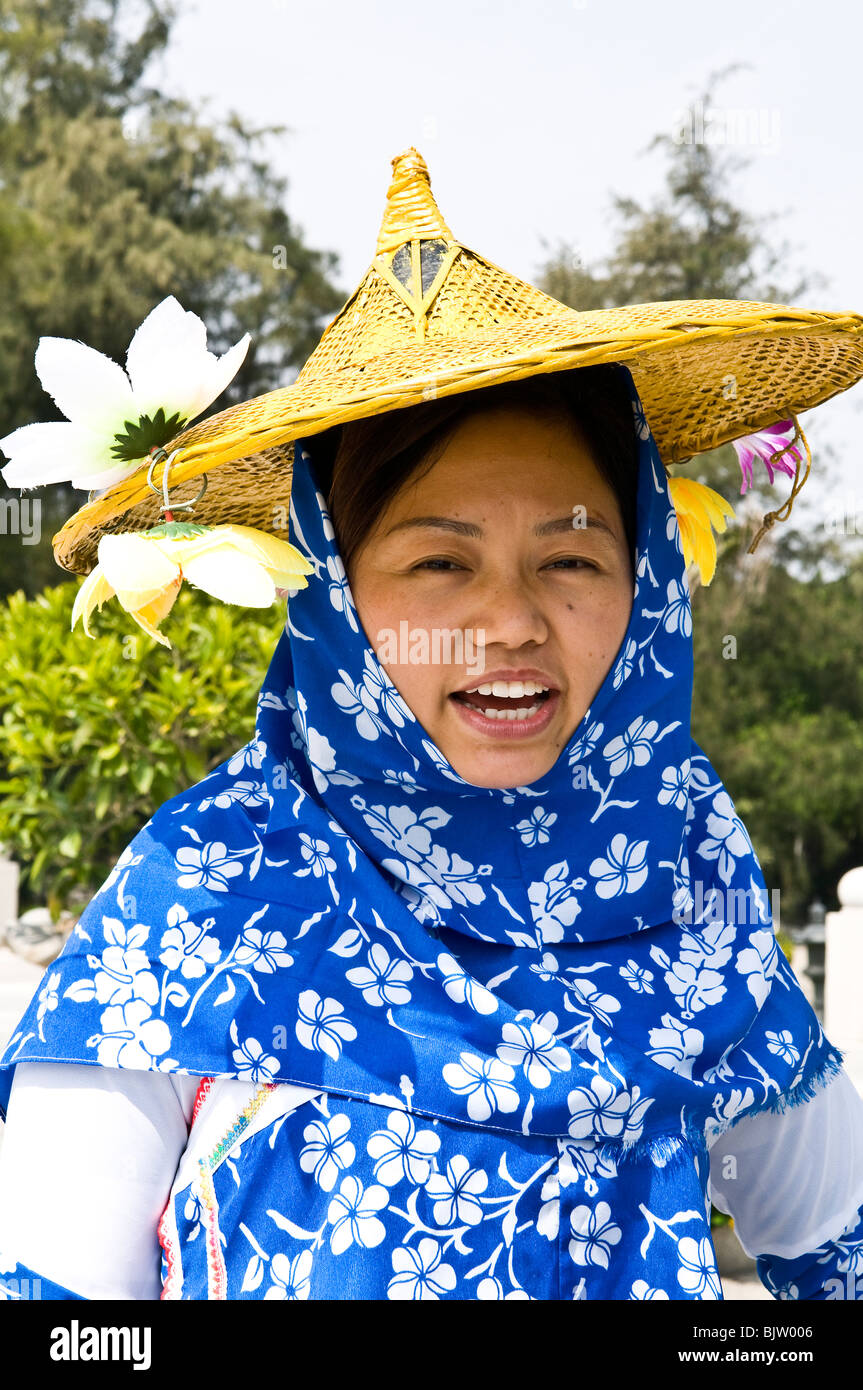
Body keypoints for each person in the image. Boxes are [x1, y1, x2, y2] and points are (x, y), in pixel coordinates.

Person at [1, 149, 863, 1301]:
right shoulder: (204, 902)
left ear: (645, 577)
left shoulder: (686, 879)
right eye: (438, 561)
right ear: (334, 588)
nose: (510, 620)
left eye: (568, 557)